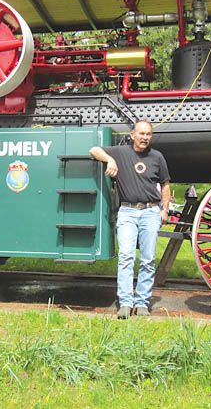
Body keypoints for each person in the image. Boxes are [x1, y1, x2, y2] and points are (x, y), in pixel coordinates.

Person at [89, 119, 171, 319]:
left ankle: (142, 303)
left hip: (151, 211)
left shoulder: (157, 157)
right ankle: (125, 302)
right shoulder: (121, 152)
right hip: (127, 211)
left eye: (148, 134)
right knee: (126, 256)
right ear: (133, 135)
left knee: (148, 259)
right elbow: (93, 150)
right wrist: (110, 160)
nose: (145, 138)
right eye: (141, 134)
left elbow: (166, 185)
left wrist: (165, 210)